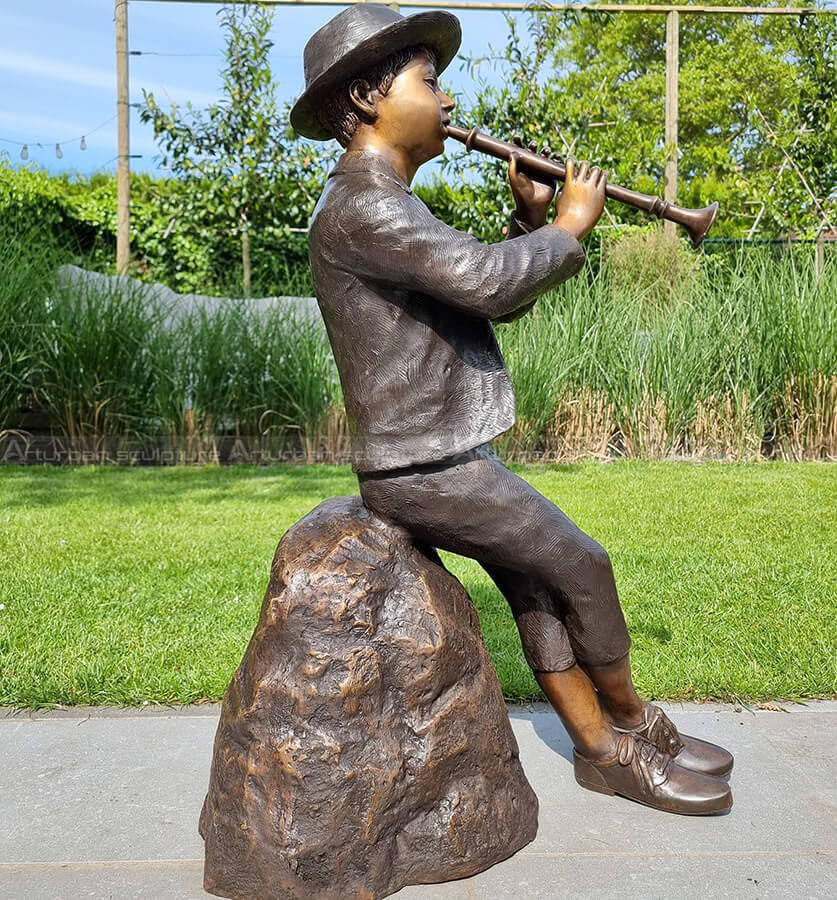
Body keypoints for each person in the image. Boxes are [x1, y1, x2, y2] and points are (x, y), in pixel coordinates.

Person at [292, 4, 733, 816]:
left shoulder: (383, 202)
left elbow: (476, 296)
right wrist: (567, 228)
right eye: (430, 82)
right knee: (582, 563)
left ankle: (600, 751)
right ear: (366, 97)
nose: (449, 102)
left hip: (441, 454)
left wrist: (527, 222)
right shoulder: (365, 204)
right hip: (422, 464)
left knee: (537, 588)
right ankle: (633, 725)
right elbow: (489, 282)